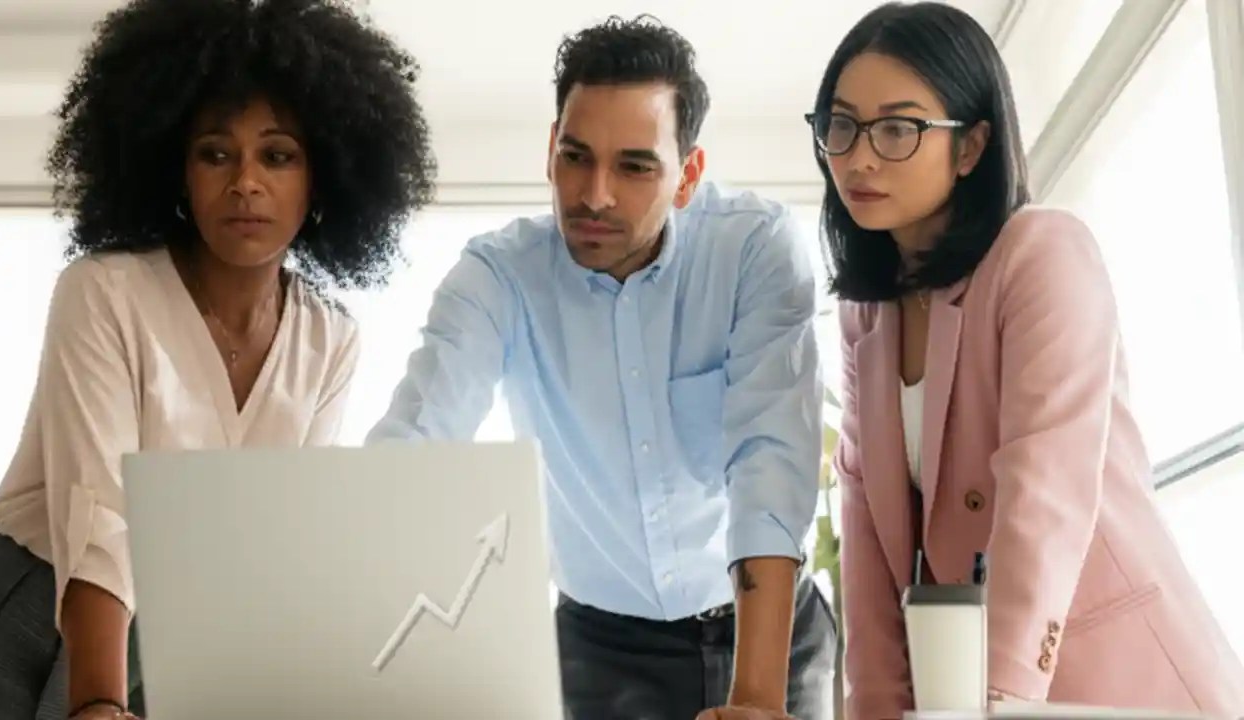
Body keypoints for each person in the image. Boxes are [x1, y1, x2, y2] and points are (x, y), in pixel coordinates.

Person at [0, 1, 435, 718]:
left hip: (172, 639)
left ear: (323, 178)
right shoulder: (103, 293)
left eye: (277, 156)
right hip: (24, 612)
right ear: (177, 171)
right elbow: (101, 519)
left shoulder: (329, 338)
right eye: (215, 153)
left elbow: (275, 547)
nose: (245, 181)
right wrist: (96, 704)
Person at [366, 15, 835, 720]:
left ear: (687, 176)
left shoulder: (752, 248)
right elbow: (418, 433)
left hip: (770, 632)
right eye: (576, 157)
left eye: (634, 167)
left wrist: (759, 699)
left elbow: (768, 461)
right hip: (600, 649)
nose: (594, 195)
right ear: (550, 149)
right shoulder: (499, 276)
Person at [811, 3, 1244, 719]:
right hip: (972, 690)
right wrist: (876, 709)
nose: (858, 157)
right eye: (841, 125)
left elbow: (1044, 495)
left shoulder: (1041, 252)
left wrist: (1002, 703)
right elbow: (867, 534)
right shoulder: (867, 313)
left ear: (971, 146)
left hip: (1121, 680)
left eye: (897, 129)